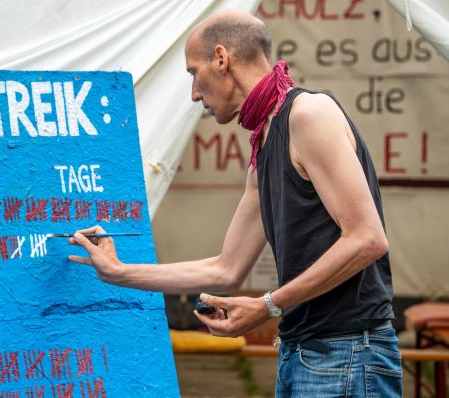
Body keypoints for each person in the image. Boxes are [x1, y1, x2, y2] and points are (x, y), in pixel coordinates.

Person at [68, 9, 402, 397]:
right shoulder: (265, 140)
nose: (194, 93)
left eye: (194, 72)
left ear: (222, 58)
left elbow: (366, 239)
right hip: (304, 354)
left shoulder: (308, 114)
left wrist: (269, 305)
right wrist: (120, 272)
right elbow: (227, 268)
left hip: (346, 355)